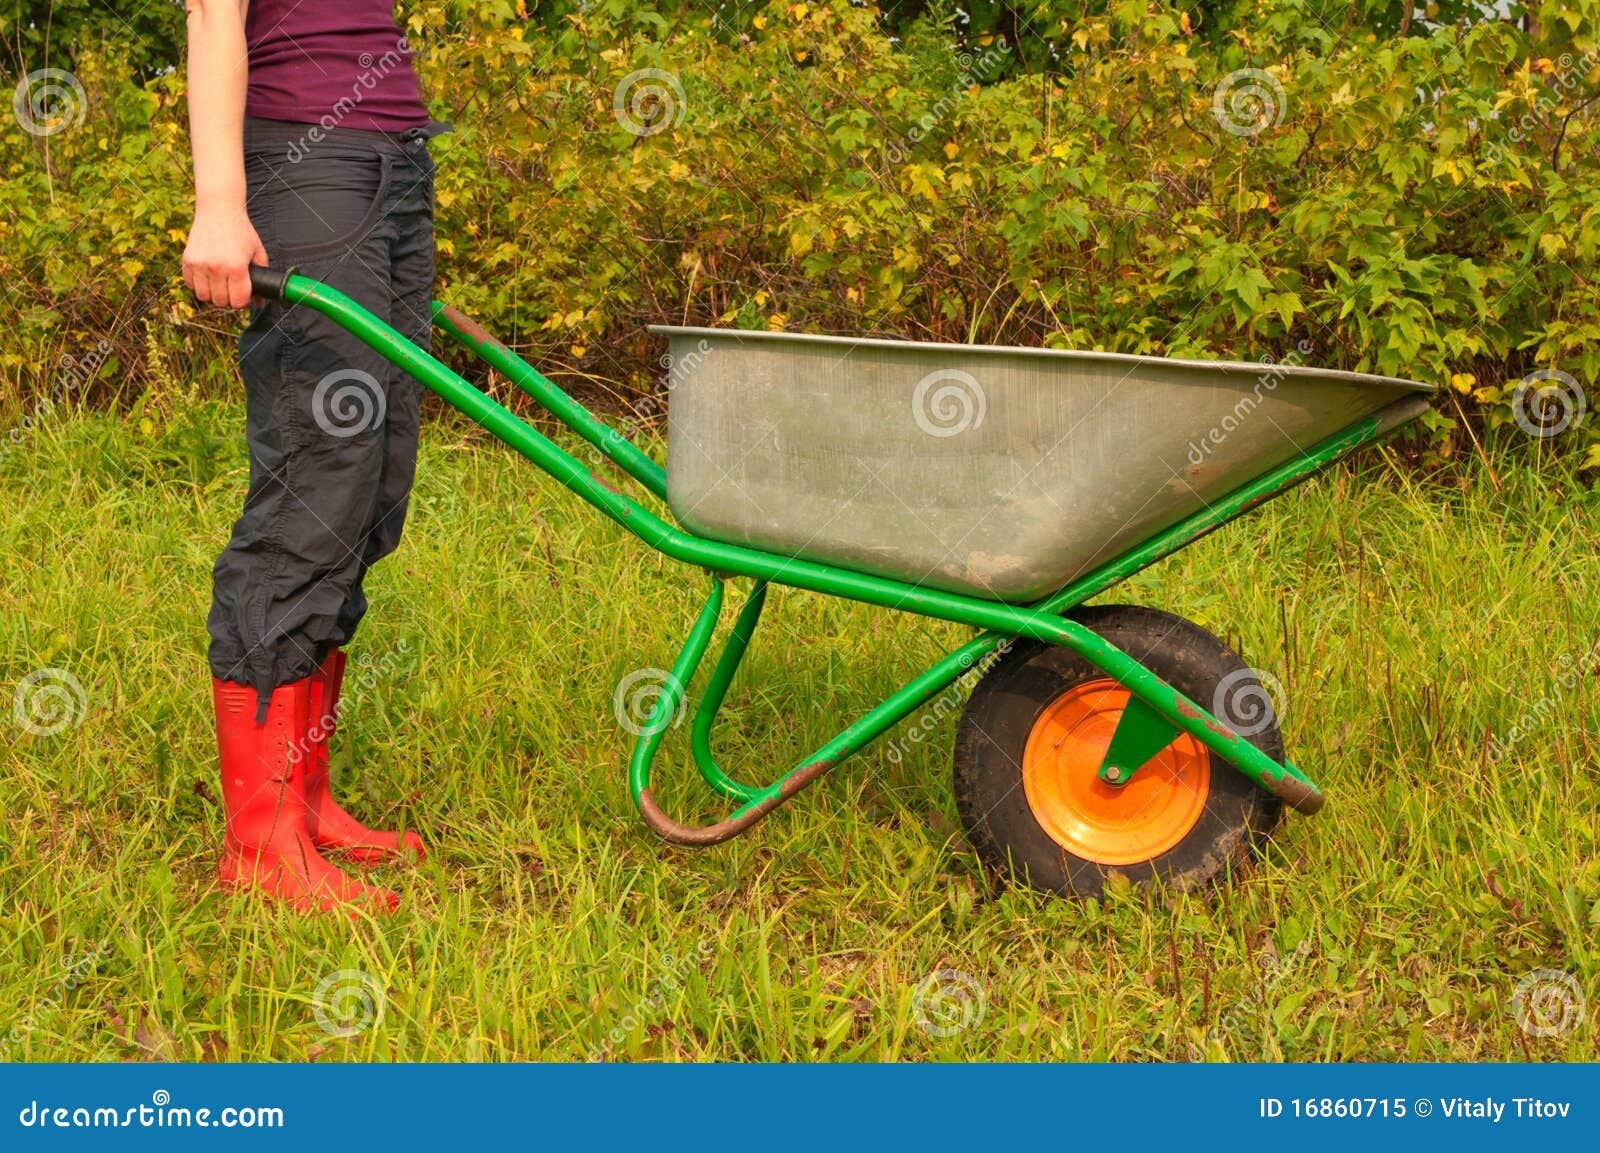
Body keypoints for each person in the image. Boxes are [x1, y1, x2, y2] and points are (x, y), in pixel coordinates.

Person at [181, 1, 444, 913]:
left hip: (395, 158)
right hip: (308, 161)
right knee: (317, 475)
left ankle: (307, 800)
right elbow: (214, 11)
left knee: (375, 481)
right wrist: (218, 204)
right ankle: (259, 841)